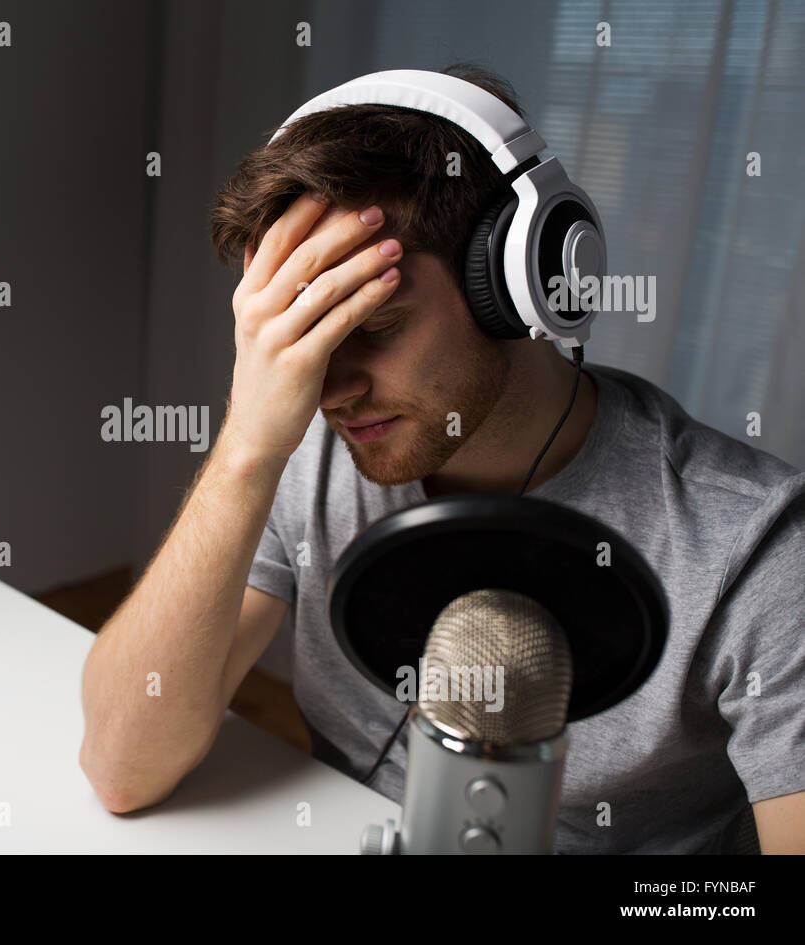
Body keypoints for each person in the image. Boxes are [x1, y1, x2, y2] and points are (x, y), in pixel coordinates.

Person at [78, 64, 805, 853]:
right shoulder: (307, 443)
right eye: (308, 338)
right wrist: (247, 447)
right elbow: (123, 763)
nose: (332, 388)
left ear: (524, 283)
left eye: (377, 326)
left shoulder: (758, 548)